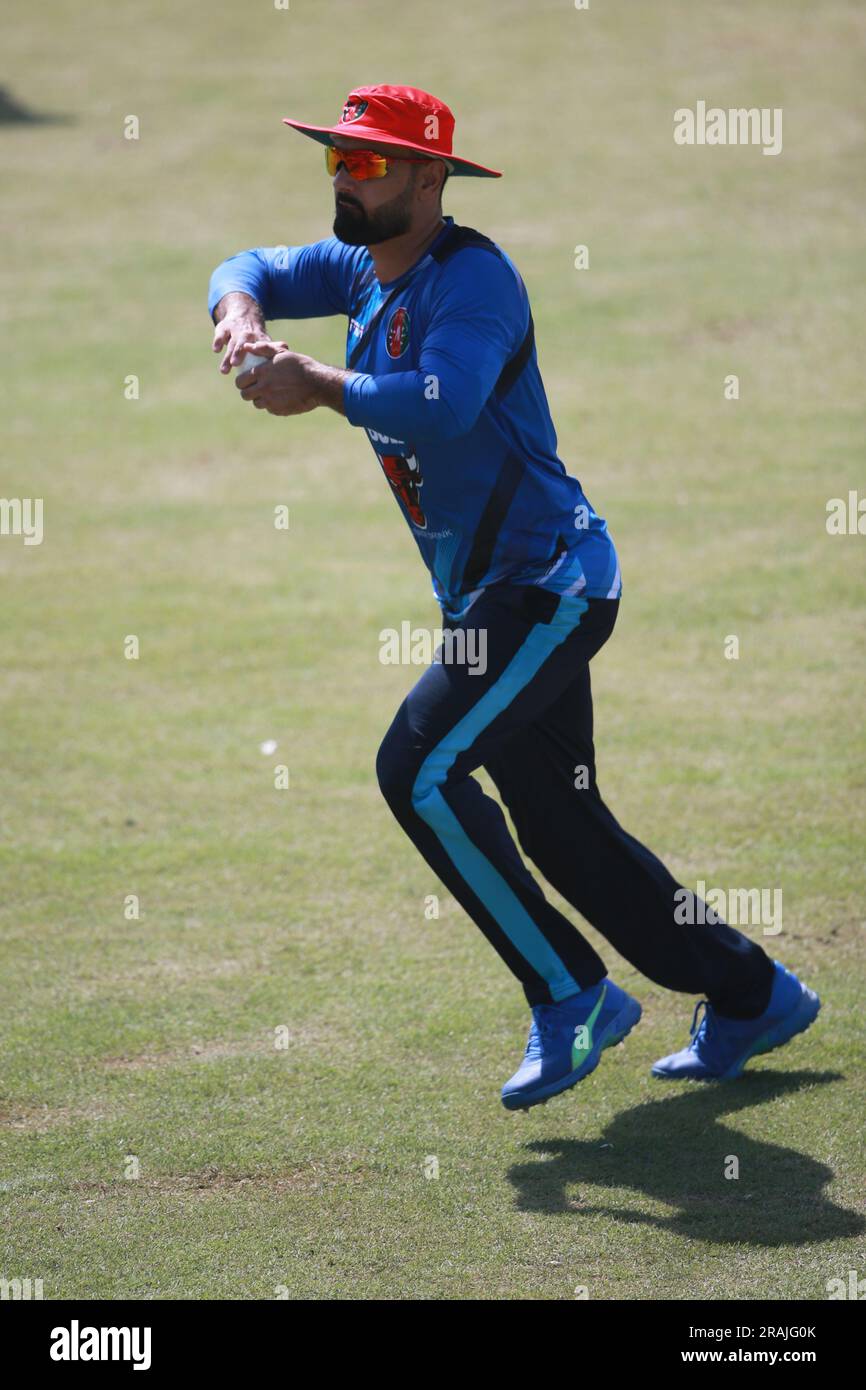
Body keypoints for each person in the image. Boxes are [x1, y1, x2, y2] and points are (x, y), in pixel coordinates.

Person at [208, 85, 820, 1109]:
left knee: (416, 769)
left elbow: (442, 405)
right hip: (496, 597)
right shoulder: (358, 267)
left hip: (548, 587)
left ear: (429, 177)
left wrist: (318, 382)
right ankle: (749, 992)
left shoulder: (472, 280)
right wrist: (239, 316)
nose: (344, 179)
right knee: (563, 829)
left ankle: (569, 993)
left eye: (367, 163)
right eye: (336, 162)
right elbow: (249, 266)